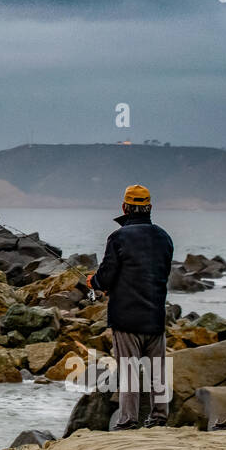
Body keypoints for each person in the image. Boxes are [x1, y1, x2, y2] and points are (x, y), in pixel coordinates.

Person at [86, 184, 174, 430]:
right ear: (150, 207)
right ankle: (159, 418)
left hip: (126, 318)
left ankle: (128, 421)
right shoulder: (164, 237)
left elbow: (107, 275)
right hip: (155, 316)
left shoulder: (118, 237)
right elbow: (162, 273)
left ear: (124, 207)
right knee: (158, 370)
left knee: (129, 371)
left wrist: (94, 282)